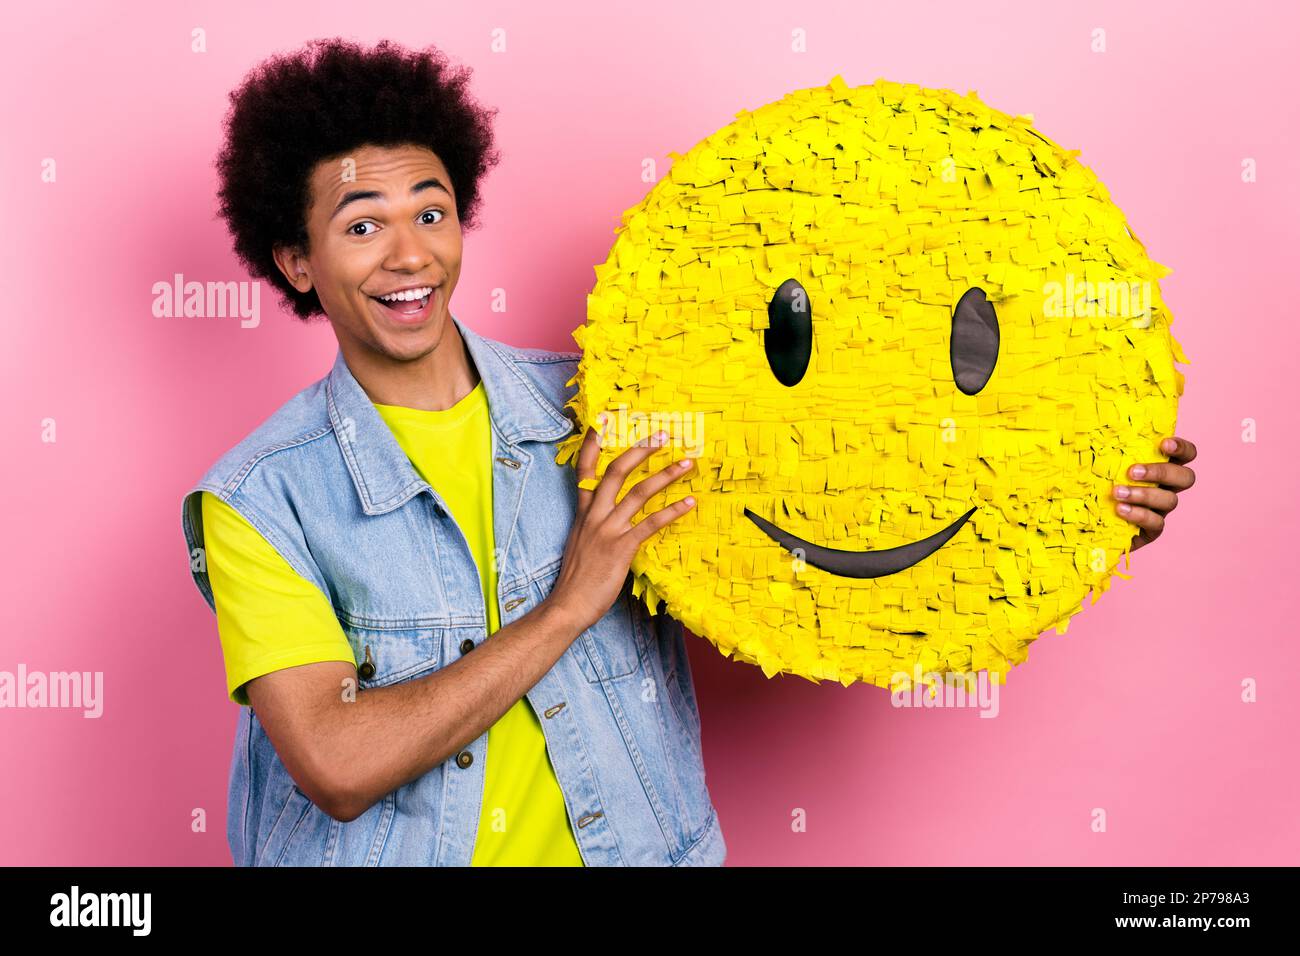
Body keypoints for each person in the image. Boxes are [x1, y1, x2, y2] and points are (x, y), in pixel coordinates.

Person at [180, 38, 1196, 867]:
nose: (410, 254)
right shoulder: (261, 499)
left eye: (432, 212)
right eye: (363, 225)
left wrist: (1059, 515)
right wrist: (571, 603)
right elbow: (338, 762)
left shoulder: (615, 405)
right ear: (297, 258)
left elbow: (825, 531)